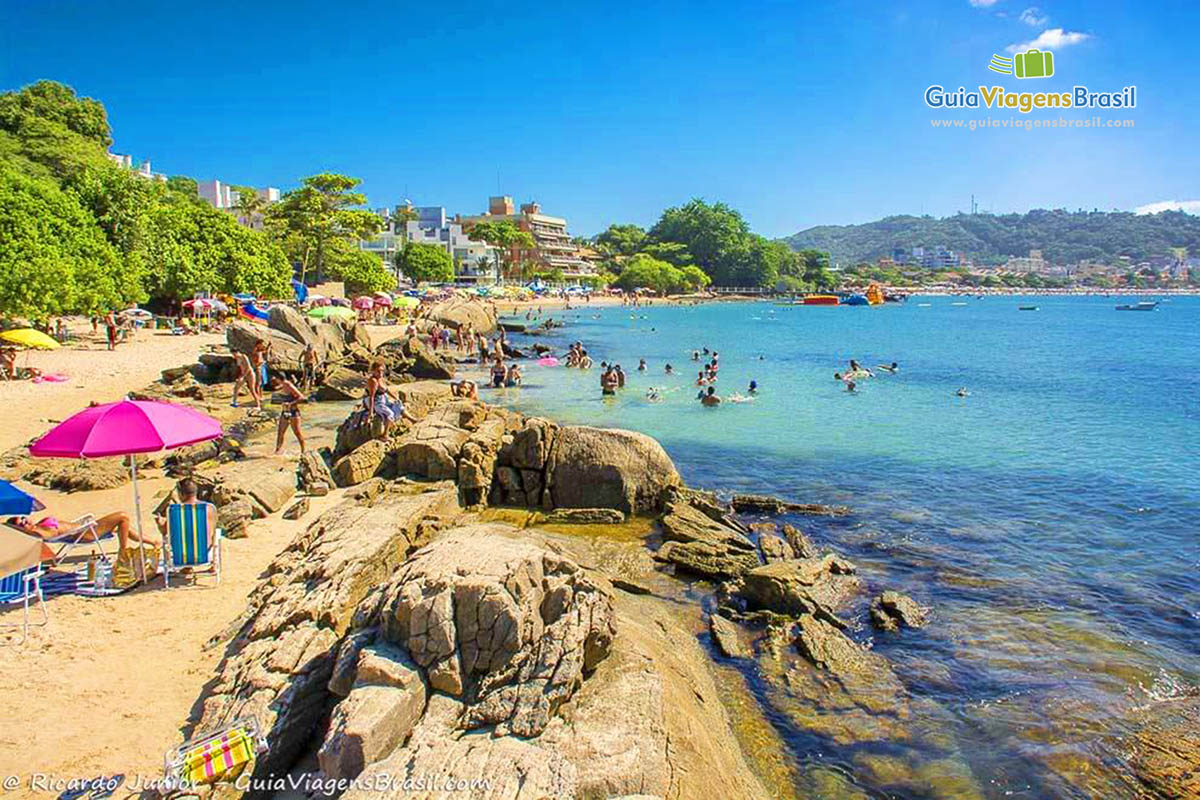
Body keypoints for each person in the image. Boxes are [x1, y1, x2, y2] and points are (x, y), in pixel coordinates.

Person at [11, 510, 159, 551]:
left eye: (23, 518)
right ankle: (123, 550)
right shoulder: (39, 531)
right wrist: (26, 532)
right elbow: (45, 537)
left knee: (121, 525)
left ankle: (153, 542)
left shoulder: (38, 525)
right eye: (22, 523)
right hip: (84, 534)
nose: (25, 521)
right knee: (123, 516)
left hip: (84, 529)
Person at [153, 478, 213, 550]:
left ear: (181, 493)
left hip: (181, 556)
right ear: (196, 492)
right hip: (205, 554)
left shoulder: (174, 511)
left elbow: (165, 532)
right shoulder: (209, 508)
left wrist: (160, 525)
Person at [366, 360, 416, 429]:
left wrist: (396, 398)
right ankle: (385, 435)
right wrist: (370, 412)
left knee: (399, 405)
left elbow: (387, 390)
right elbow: (372, 397)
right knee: (390, 414)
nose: (380, 373)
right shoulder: (373, 381)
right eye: (378, 371)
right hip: (377, 402)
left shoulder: (381, 379)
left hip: (384, 400)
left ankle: (412, 420)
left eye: (382, 371)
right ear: (373, 371)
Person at [272, 375, 307, 454]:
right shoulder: (282, 385)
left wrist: (290, 404)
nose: (273, 379)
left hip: (293, 412)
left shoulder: (288, 385)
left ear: (278, 378)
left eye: (274, 377)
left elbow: (301, 397)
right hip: (285, 411)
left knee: (297, 433)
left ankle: (303, 450)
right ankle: (277, 451)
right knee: (280, 432)